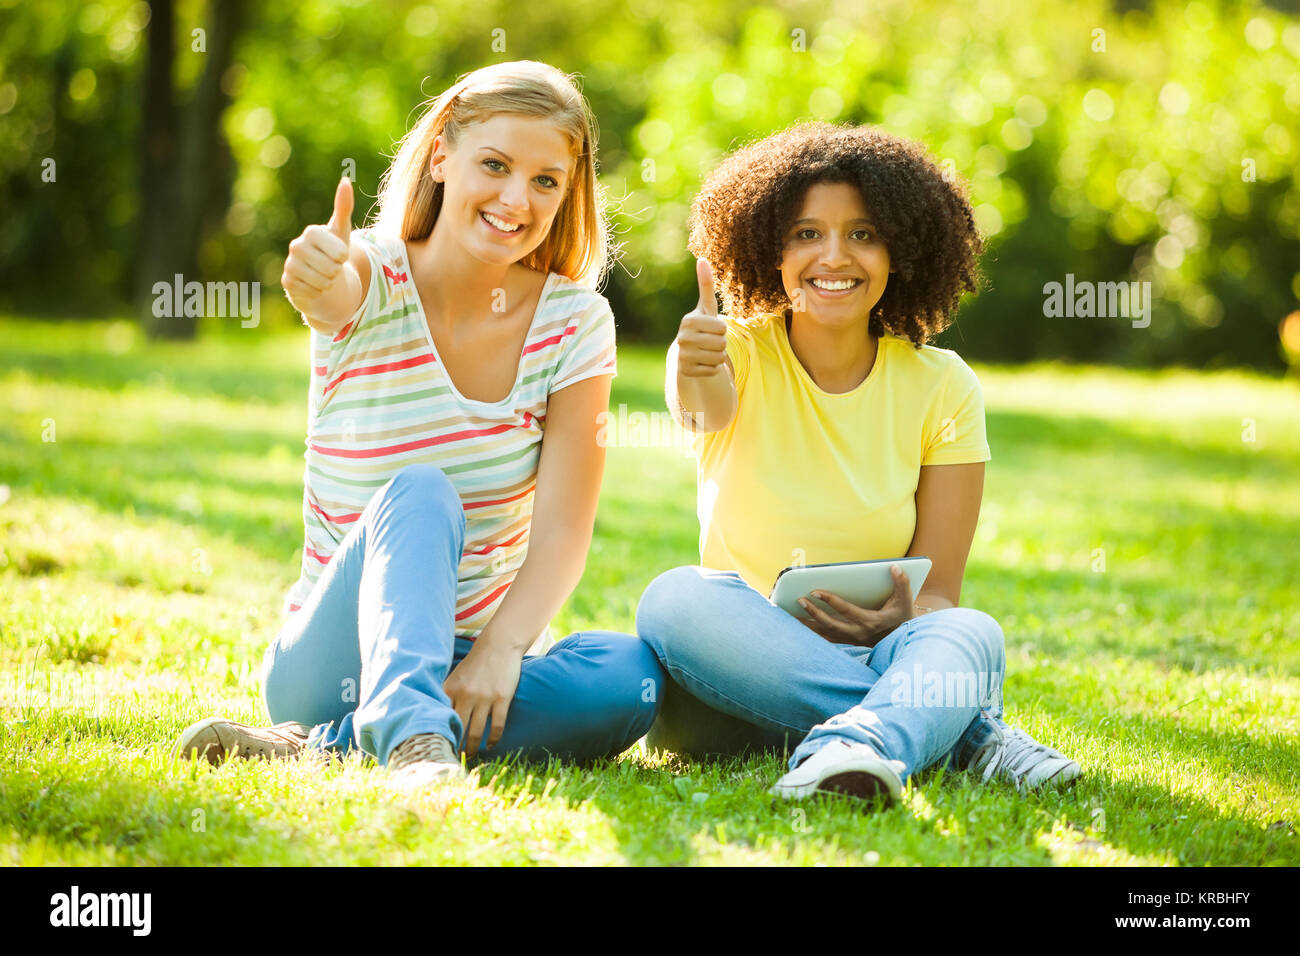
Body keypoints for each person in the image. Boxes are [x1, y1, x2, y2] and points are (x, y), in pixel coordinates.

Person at [175, 61, 663, 788]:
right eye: (493, 165)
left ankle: (317, 747)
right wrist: (316, 275)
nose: (515, 199)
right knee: (424, 493)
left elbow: (563, 533)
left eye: (545, 181)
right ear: (442, 157)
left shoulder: (575, 322)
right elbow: (334, 293)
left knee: (629, 678)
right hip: (335, 660)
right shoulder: (373, 272)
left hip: (474, 651)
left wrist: (501, 651)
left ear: (568, 193)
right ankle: (411, 740)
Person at [635, 122, 1080, 806]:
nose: (833, 257)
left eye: (863, 234)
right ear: (770, 252)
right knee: (673, 598)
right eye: (805, 233)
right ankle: (966, 735)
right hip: (730, 673)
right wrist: (689, 362)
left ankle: (857, 747)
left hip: (877, 656)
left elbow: (939, 594)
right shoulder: (737, 353)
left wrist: (903, 622)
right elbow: (701, 408)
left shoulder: (944, 385)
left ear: (901, 251)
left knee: (968, 630)